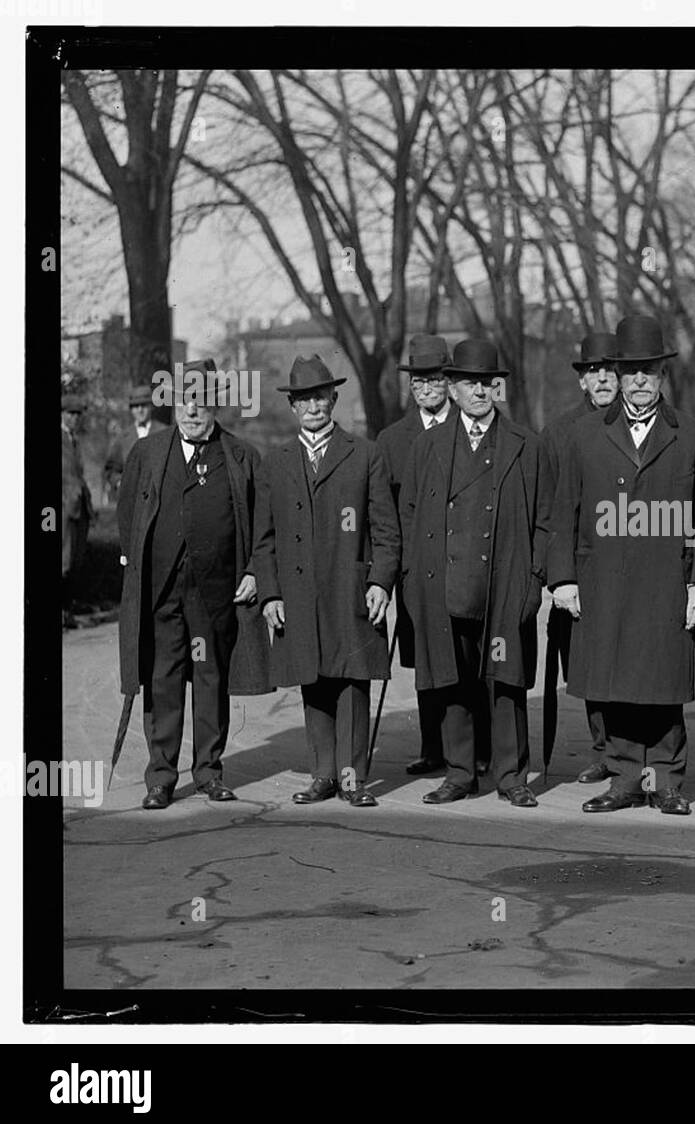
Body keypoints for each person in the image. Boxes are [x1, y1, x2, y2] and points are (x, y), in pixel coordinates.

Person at [548, 314, 695, 816]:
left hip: (666, 581)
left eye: (649, 371)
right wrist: (562, 578)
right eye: (631, 372)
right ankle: (624, 779)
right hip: (603, 580)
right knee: (615, 684)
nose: (640, 381)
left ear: (663, 375)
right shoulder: (583, 436)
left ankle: (666, 781)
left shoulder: (691, 436)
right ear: (618, 375)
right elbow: (565, 512)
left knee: (662, 685)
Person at [117, 360, 271, 810]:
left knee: (209, 678)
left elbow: (263, 526)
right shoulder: (148, 454)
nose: (191, 412)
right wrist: (137, 569)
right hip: (163, 592)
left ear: (216, 406)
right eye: (184, 402)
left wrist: (254, 572)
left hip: (214, 594)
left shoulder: (241, 456)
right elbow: (128, 516)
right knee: (163, 679)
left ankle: (208, 772)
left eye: (201, 404)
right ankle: (161, 778)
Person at [400, 338, 544, 808]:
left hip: (504, 584)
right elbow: (410, 514)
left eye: (487, 383)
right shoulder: (428, 446)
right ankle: (460, 772)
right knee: (452, 681)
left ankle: (511, 775)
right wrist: (412, 581)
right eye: (469, 384)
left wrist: (535, 580)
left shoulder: (525, 445)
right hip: (446, 584)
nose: (480, 392)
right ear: (453, 389)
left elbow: (545, 519)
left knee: (507, 683)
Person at [251, 355, 400, 807]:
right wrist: (270, 592)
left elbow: (387, 530)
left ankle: (351, 777)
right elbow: (264, 538)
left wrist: (380, 582)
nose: (313, 406)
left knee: (352, 680)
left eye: (320, 396)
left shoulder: (365, 453)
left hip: (349, 586)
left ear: (333, 399)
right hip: (298, 592)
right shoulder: (275, 463)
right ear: (293, 407)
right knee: (312, 678)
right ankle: (322, 774)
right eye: (303, 399)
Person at [538, 330, 618, 784]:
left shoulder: (639, 425)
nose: (603, 379)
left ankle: (631, 749)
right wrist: (560, 576)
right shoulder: (560, 432)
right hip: (581, 568)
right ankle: (604, 749)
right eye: (594, 372)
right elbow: (549, 509)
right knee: (586, 662)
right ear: (582, 382)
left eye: (610, 370)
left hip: (629, 560)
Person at [377, 333, 454, 778]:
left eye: (435, 379)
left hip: (461, 564)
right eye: (418, 381)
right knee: (425, 659)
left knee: (465, 660)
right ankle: (433, 747)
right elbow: (384, 511)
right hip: (414, 571)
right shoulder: (392, 440)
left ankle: (474, 747)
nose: (426, 388)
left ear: (449, 381)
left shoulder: (469, 424)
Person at [61, 392, 94, 624]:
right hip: (63, 509)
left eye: (78, 414)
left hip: (79, 508)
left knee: (75, 562)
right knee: (63, 561)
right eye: (70, 413)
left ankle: (67, 610)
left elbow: (79, 476)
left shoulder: (75, 440)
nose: (75, 418)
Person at [104, 383, 165, 503]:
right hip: (132, 500)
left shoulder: (164, 432)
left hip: (159, 499)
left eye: (144, 405)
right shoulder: (122, 438)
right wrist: (119, 482)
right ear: (131, 410)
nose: (140, 410)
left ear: (151, 406)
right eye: (136, 406)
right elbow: (111, 469)